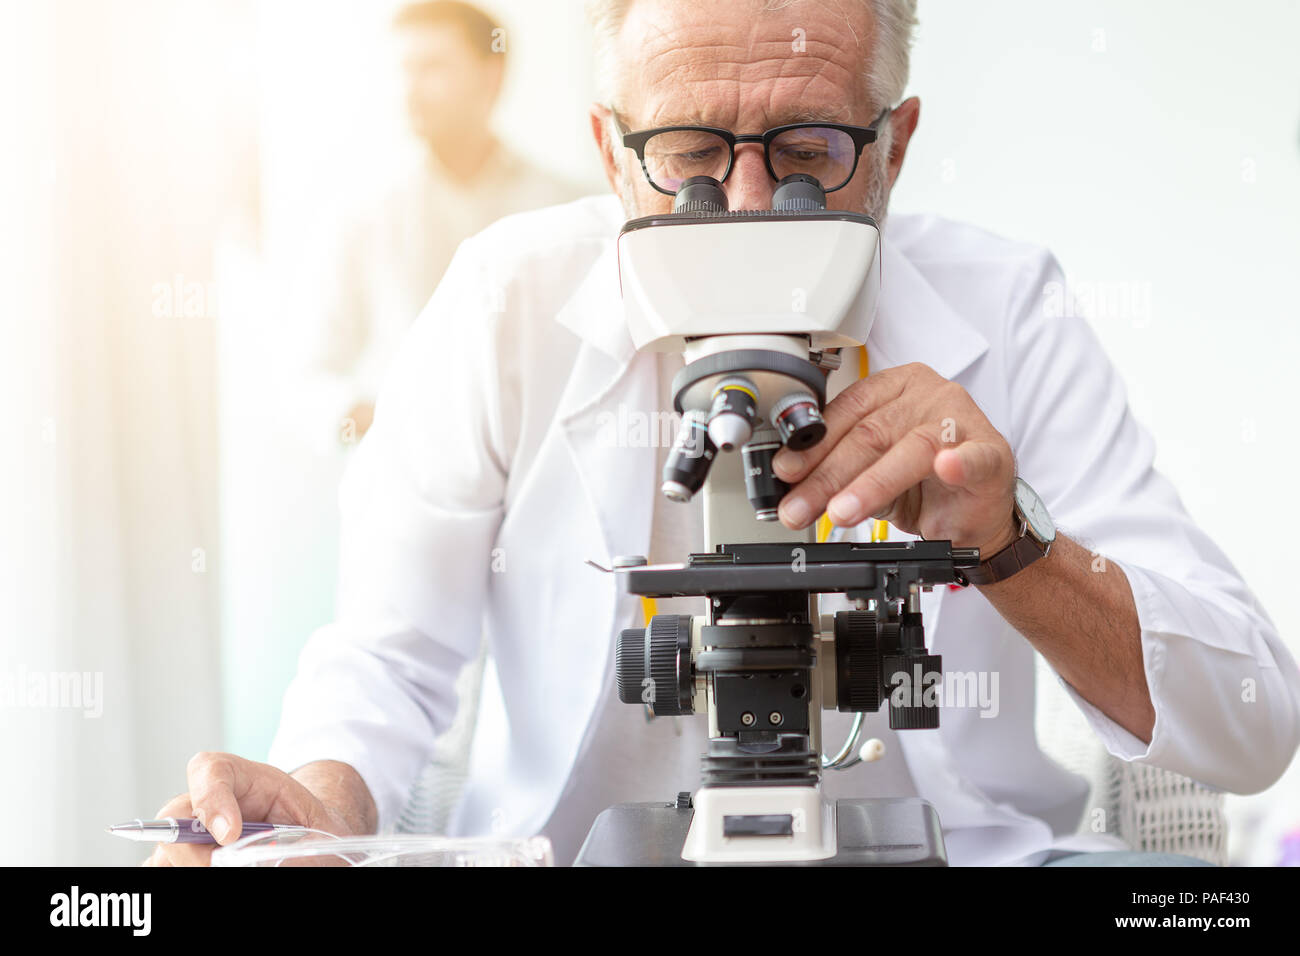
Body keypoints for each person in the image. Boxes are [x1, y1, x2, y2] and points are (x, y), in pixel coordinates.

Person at [150, 0, 1300, 866]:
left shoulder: (1006, 308)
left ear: (894, 146)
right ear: (610, 153)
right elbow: (391, 656)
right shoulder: (505, 298)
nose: (749, 209)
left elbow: (1253, 726)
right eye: (692, 159)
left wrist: (1012, 544)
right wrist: (323, 807)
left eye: (806, 157)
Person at [290, 0, 581, 450]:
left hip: (537, 476)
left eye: (431, 68)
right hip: (404, 483)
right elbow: (308, 375)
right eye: (403, 70)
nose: (410, 90)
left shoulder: (565, 209)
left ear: (492, 76)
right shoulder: (363, 214)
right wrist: (365, 415)